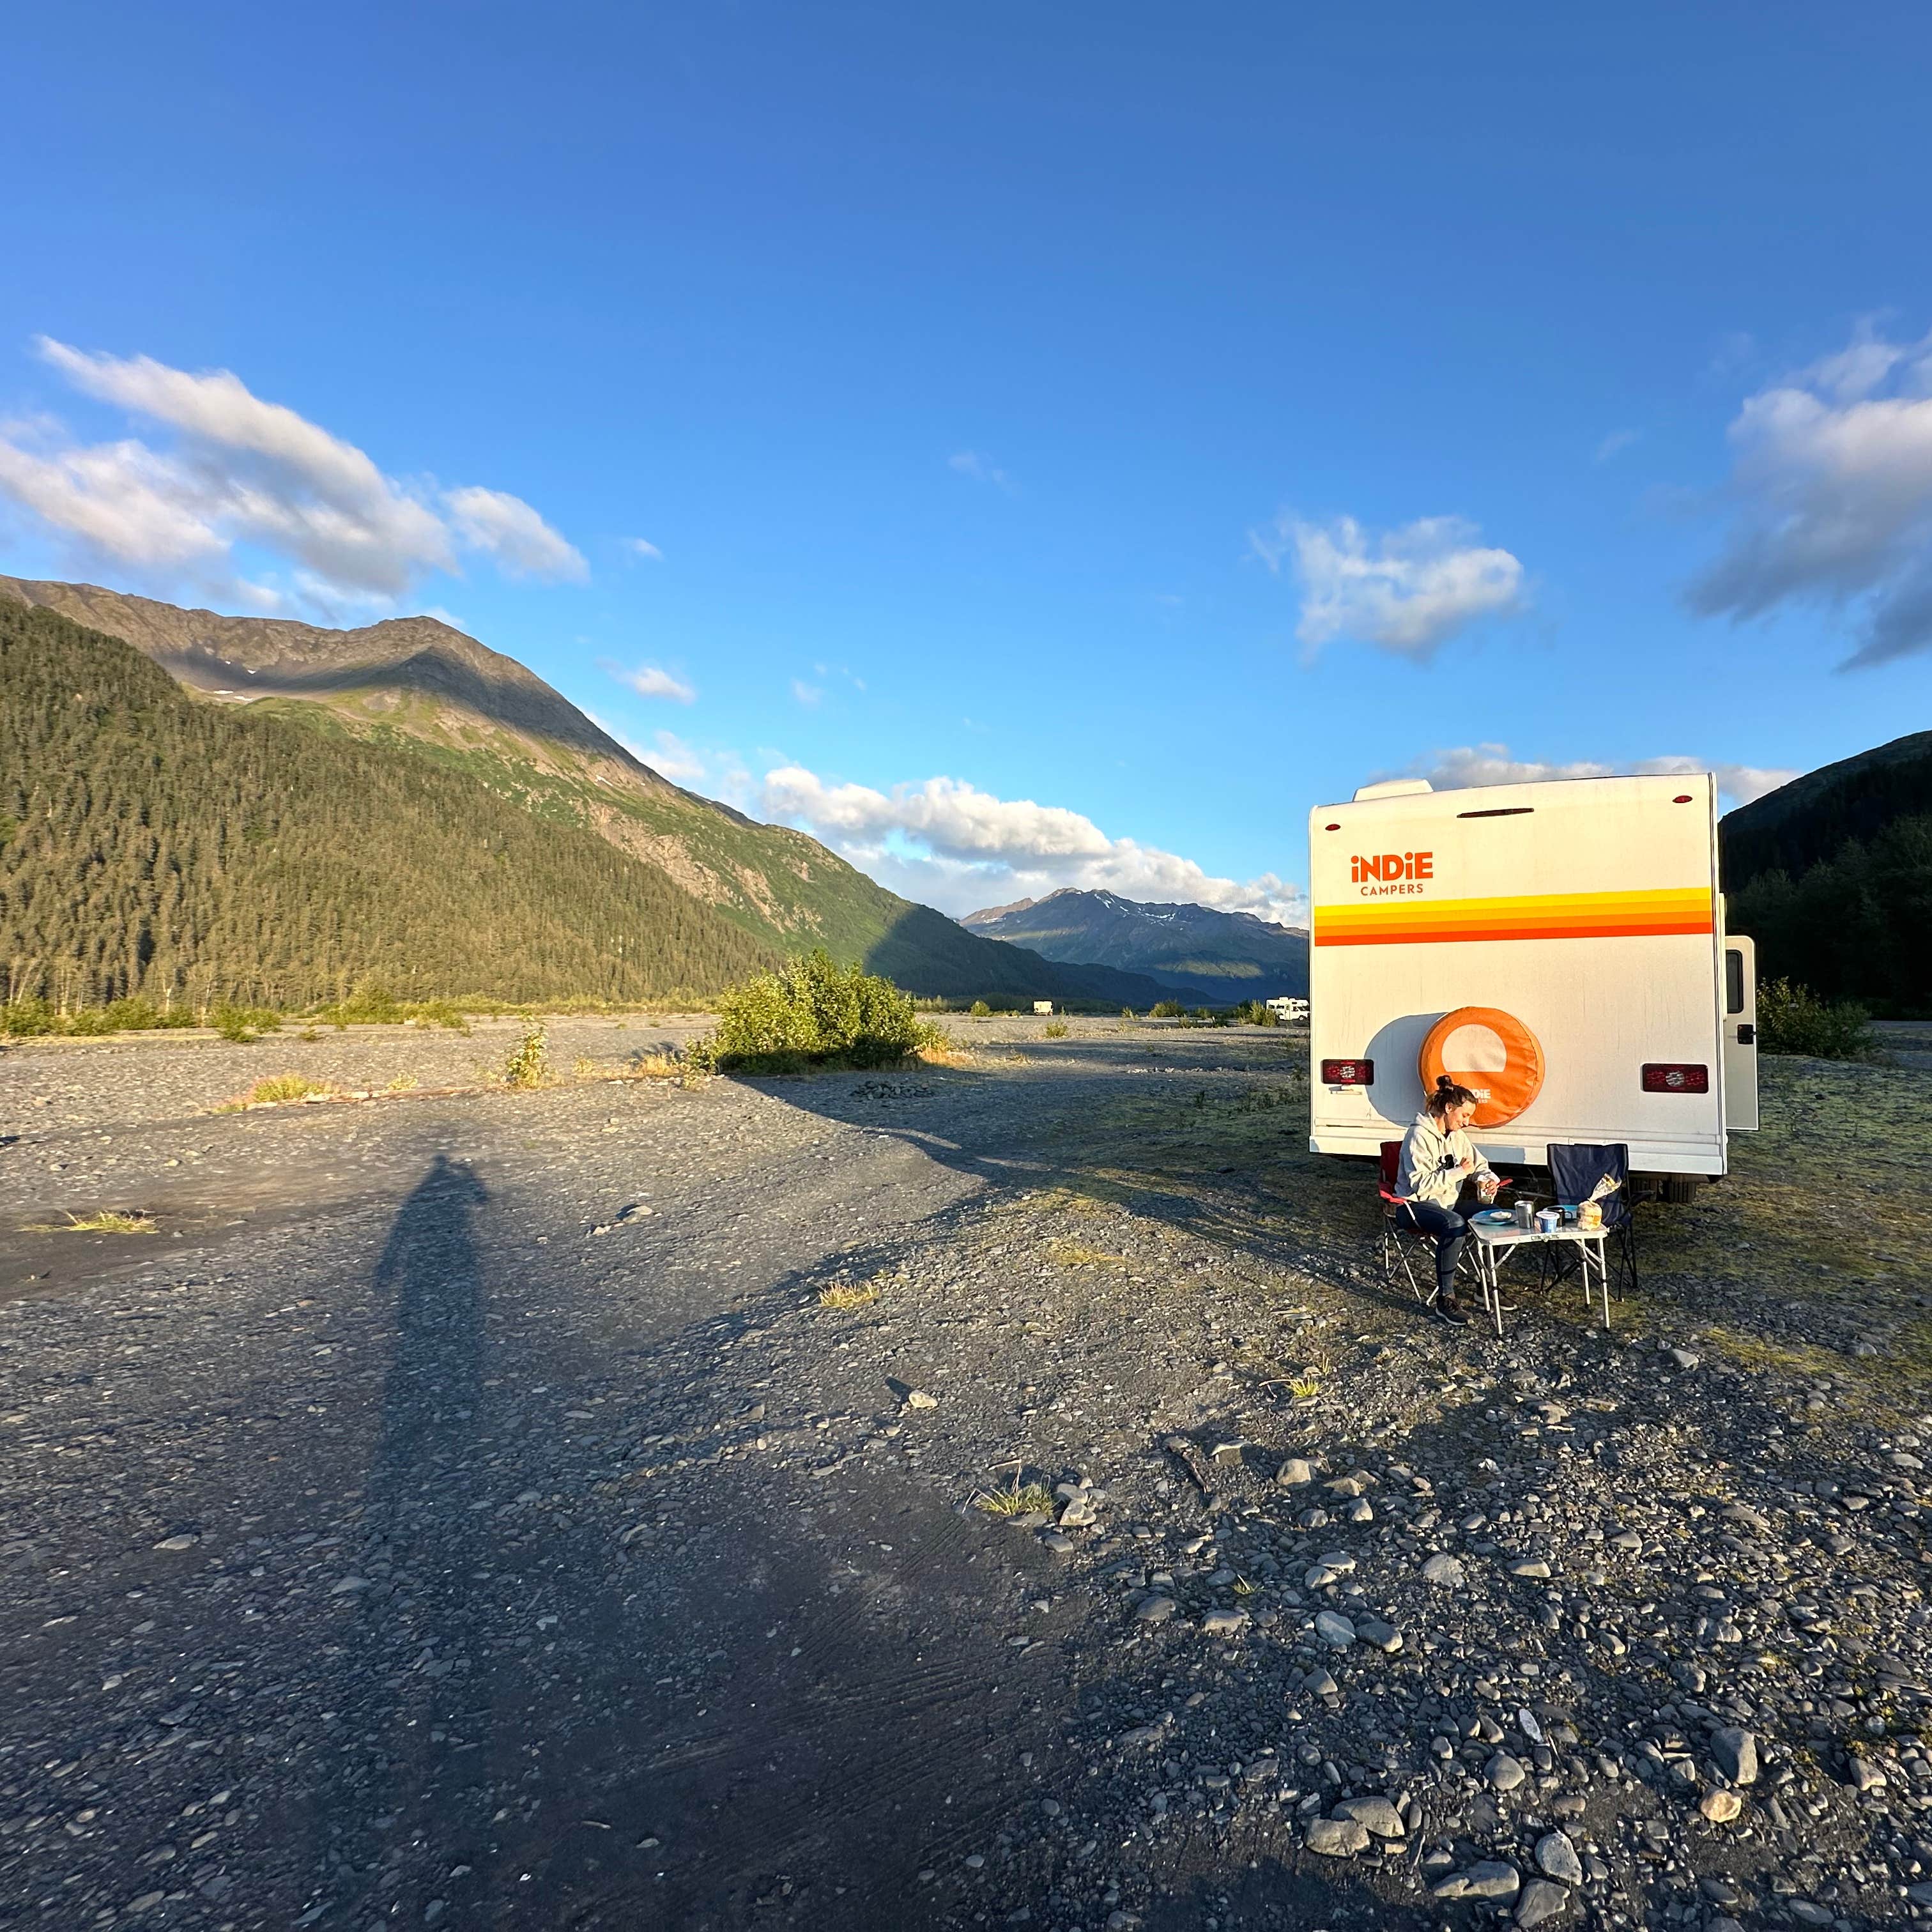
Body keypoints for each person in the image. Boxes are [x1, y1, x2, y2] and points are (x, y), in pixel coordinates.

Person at [1395, 1075, 1499, 1324]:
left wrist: (1486, 1178)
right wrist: (1458, 1173)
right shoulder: (1419, 1136)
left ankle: (1484, 1287)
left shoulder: (1456, 1137)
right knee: (1454, 1224)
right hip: (1414, 1205)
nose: (1467, 1122)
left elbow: (1477, 1164)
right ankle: (1445, 1299)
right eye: (1464, 1116)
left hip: (1446, 1204)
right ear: (1449, 1108)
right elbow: (1421, 1184)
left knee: (1495, 1216)